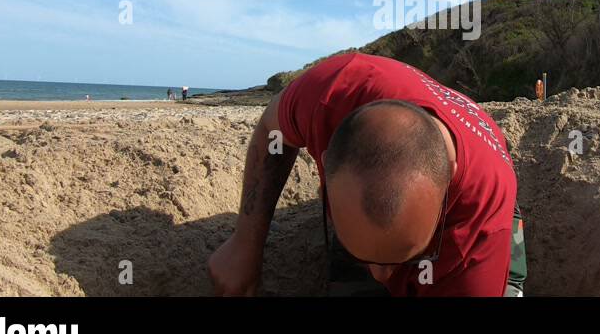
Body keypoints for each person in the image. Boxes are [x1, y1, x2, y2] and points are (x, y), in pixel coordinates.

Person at [208, 52, 527, 297]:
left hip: (482, 176)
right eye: (362, 254)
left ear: (447, 187)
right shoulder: (333, 91)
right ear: (325, 173)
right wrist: (245, 244)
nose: (380, 276)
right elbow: (271, 130)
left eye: (407, 257)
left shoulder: (480, 223)